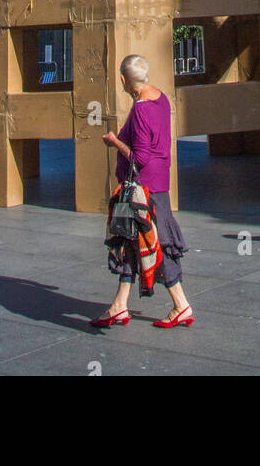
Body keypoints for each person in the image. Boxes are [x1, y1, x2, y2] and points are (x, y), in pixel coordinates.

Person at [93, 54, 192, 329]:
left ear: (125, 81)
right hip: (156, 183)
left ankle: (181, 304)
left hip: (141, 189)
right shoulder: (160, 98)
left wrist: (114, 142)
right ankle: (119, 306)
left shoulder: (140, 111)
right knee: (130, 242)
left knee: (155, 243)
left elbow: (141, 157)